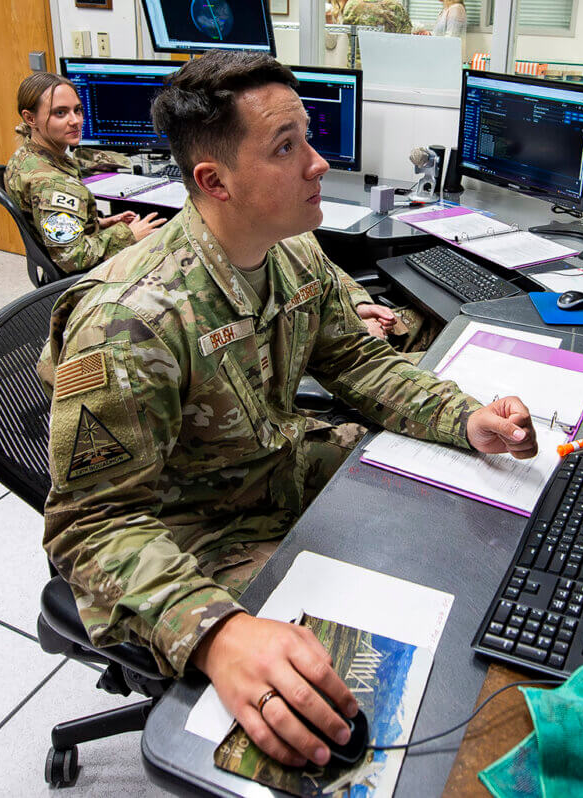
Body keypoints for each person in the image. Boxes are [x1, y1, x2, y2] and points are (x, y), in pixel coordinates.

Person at [37, 50, 537, 770]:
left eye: (306, 136)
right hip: (198, 535)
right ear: (215, 181)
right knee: (352, 717)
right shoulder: (131, 320)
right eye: (285, 147)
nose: (317, 163)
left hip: (278, 470)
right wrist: (215, 634)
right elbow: (89, 524)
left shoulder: (292, 252)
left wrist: (462, 417)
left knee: (473, 547)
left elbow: (357, 360)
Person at [5, 72, 165, 274]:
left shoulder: (26, 157)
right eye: (60, 113)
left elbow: (53, 225)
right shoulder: (53, 184)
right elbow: (71, 257)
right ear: (30, 118)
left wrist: (100, 224)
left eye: (78, 110)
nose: (76, 121)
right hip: (85, 282)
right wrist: (127, 234)